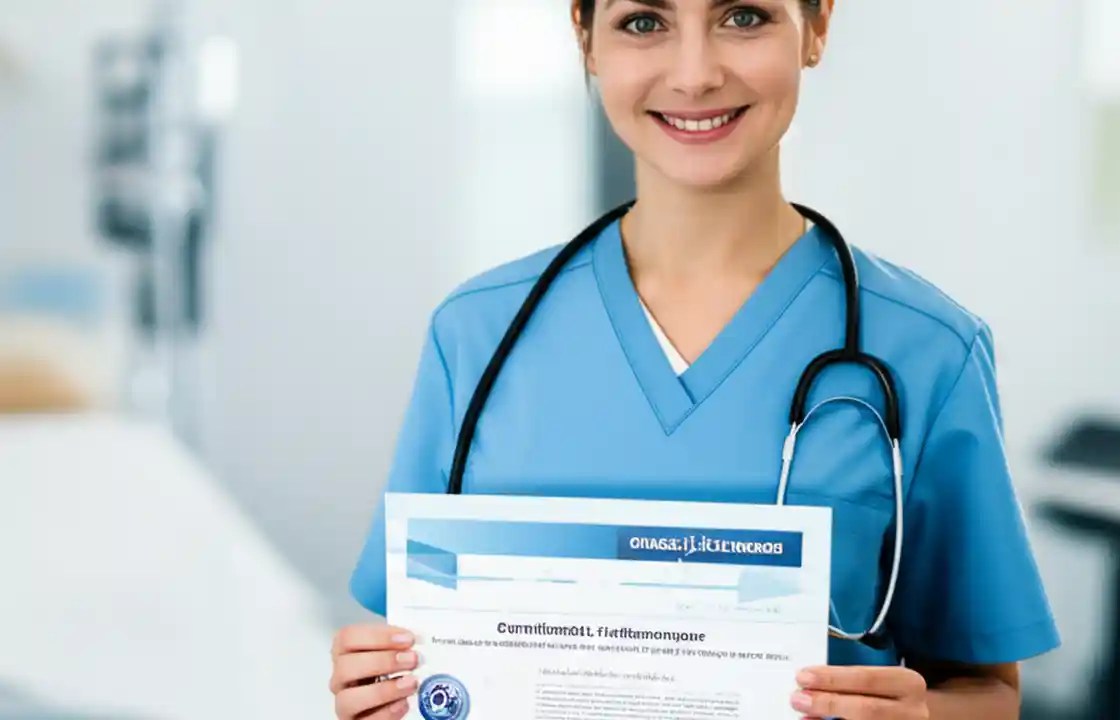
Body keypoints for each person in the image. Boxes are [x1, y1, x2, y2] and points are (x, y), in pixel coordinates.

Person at [329, 0, 1060, 717]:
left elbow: (986, 688)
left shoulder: (928, 350)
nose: (695, 73)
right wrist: (374, 690)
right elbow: (407, 653)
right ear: (586, 40)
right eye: (644, 22)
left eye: (743, 16)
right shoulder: (476, 335)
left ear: (818, 26)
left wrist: (925, 718)